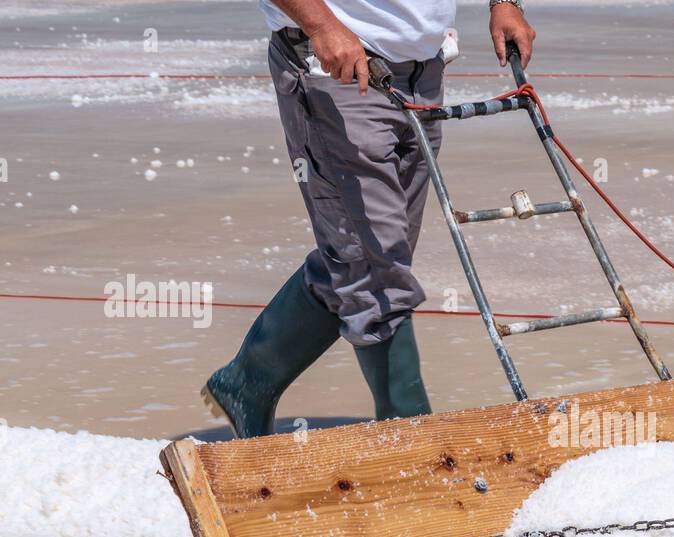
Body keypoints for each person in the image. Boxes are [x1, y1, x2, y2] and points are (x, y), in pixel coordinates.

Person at [202, 0, 537, 437]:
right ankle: (413, 440)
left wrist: (504, 3)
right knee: (375, 267)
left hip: (423, 70)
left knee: (364, 257)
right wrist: (322, 25)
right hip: (336, 67)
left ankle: (247, 383)